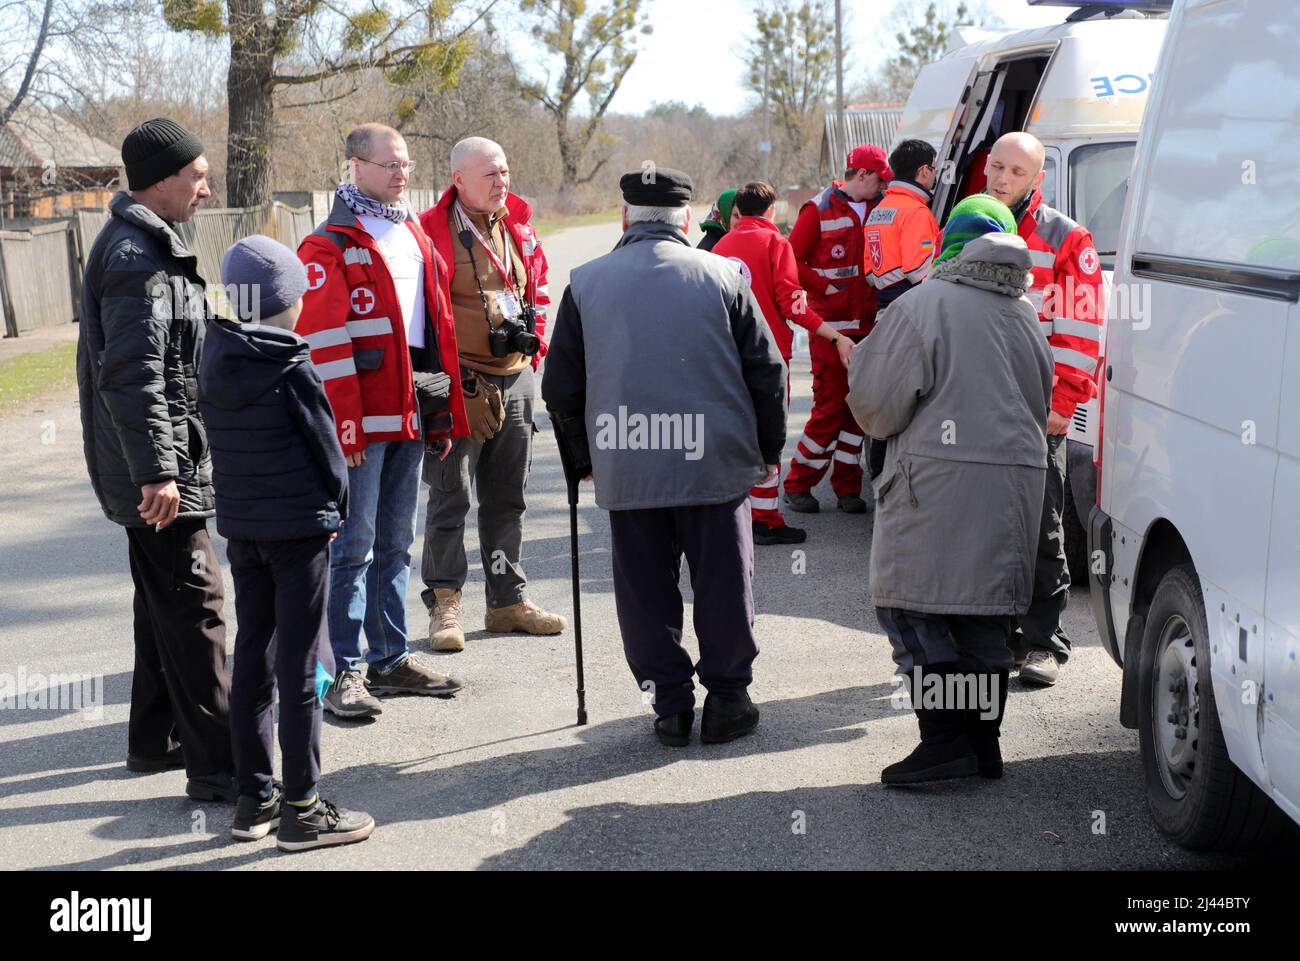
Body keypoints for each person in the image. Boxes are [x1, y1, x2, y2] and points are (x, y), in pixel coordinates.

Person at [542, 168, 787, 747]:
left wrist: (584, 458)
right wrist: (769, 448)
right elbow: (766, 370)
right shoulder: (725, 274)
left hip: (628, 458)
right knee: (725, 579)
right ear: (686, 219)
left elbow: (561, 388)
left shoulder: (586, 282)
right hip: (715, 460)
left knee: (644, 588)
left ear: (626, 217)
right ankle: (728, 698)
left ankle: (670, 706)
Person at [846, 195, 1053, 784]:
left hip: (934, 487)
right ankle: (982, 746)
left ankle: (943, 743)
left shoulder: (921, 306)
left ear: (948, 245)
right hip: (1014, 489)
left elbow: (877, 411)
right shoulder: (1026, 314)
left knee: (915, 609)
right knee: (984, 618)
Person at [76, 117, 235, 802]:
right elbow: (133, 376)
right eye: (197, 177)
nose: (206, 188)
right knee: (198, 604)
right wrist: (159, 473)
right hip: (162, 473)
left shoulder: (147, 245)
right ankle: (224, 768)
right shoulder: (135, 259)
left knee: (161, 601)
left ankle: (155, 738)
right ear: (162, 181)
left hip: (165, 462)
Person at [198, 235, 374, 851]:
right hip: (300, 531)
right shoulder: (292, 364)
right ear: (287, 300)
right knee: (299, 665)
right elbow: (328, 452)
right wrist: (338, 509)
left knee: (254, 654)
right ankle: (303, 806)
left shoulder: (214, 357)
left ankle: (254, 797)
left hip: (245, 529)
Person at [296, 123, 468, 719]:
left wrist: (442, 413)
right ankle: (341, 671)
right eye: (390, 164)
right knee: (354, 547)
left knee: (397, 542)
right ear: (354, 167)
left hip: (413, 413)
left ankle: (390, 659)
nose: (403, 174)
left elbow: (434, 332)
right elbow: (322, 345)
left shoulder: (413, 232)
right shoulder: (328, 245)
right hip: (361, 426)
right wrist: (343, 428)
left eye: (407, 164)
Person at [418, 137, 567, 652]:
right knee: (450, 496)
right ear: (458, 179)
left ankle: (507, 601)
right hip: (459, 383)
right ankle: (445, 604)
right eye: (490, 175)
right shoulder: (428, 231)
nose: (502, 181)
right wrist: (454, 381)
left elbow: (539, 290)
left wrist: (536, 351)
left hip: (517, 377)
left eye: (505, 171)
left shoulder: (520, 224)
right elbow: (416, 317)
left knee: (507, 499)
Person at [983, 131, 1105, 687]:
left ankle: (1041, 642)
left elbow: (1082, 329)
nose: (1001, 178)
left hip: (1038, 409)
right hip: (978, 405)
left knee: (1039, 525)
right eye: (996, 167)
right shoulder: (972, 226)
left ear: (1038, 178)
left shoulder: (1067, 238)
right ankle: (994, 635)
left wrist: (1063, 402)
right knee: (984, 523)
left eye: (1015, 171)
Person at [711, 180, 853, 545]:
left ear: (739, 212)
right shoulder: (776, 243)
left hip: (729, 356)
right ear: (772, 210)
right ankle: (766, 520)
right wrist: (834, 335)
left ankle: (737, 515)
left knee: (739, 435)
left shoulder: (722, 245)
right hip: (770, 357)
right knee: (770, 438)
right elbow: (793, 304)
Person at [784, 145, 890, 515]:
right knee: (830, 407)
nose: (882, 186)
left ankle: (847, 487)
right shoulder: (818, 209)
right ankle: (798, 484)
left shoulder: (881, 206)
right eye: (878, 179)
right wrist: (823, 287)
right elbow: (790, 260)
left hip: (868, 326)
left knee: (858, 410)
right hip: (831, 328)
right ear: (861, 175)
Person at [864, 139, 943, 481]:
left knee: (888, 398)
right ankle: (892, 481)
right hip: (910, 315)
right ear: (924, 171)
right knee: (910, 404)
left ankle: (878, 474)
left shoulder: (880, 209)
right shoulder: (916, 212)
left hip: (884, 311)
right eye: (935, 169)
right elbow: (922, 273)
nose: (936, 175)